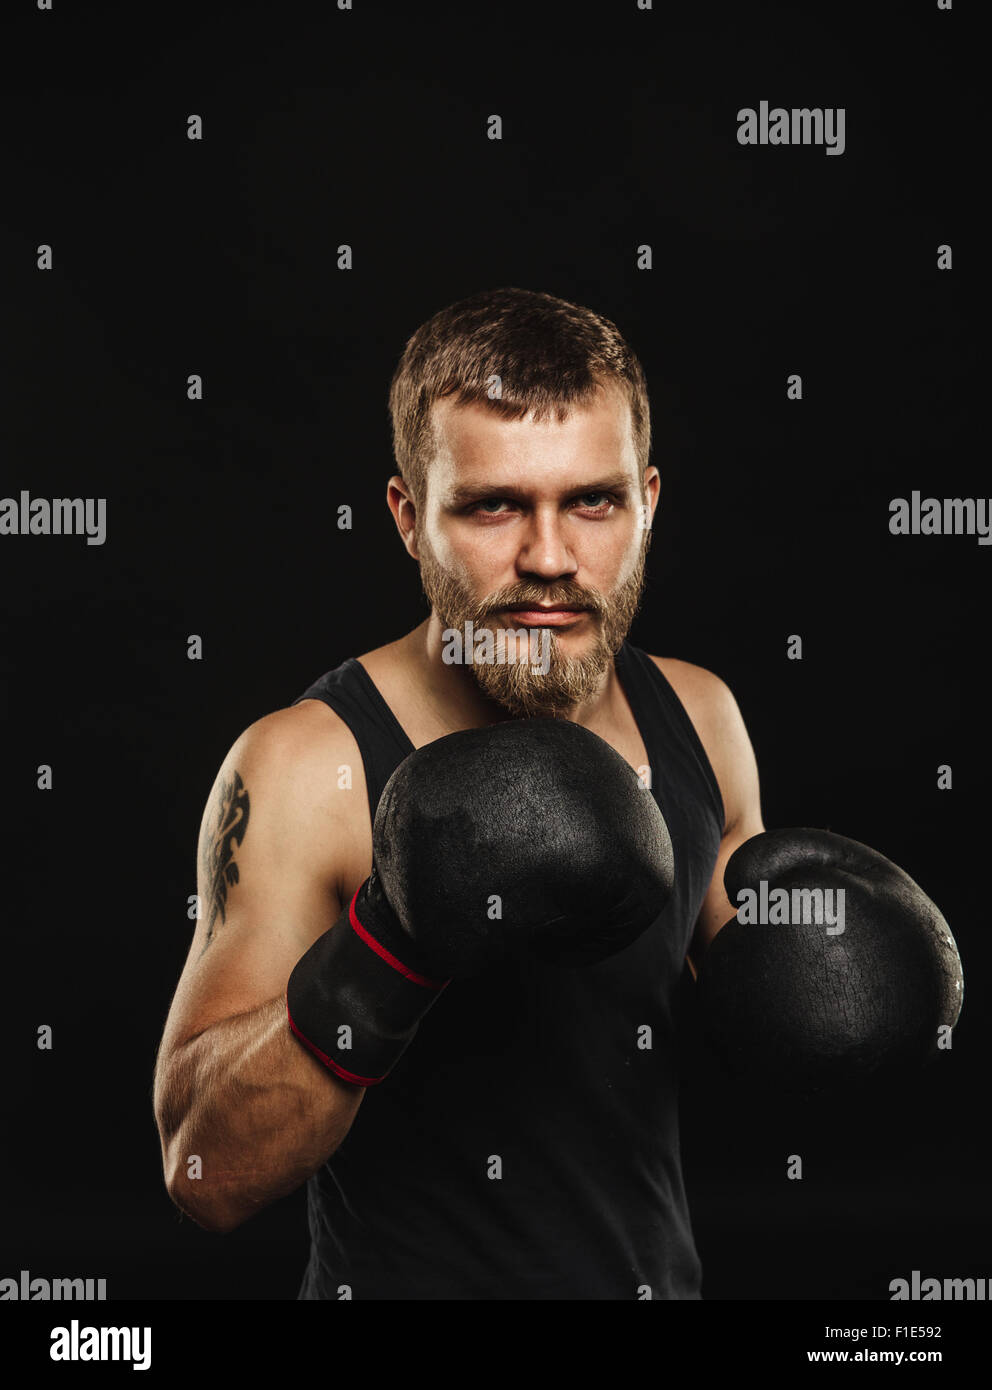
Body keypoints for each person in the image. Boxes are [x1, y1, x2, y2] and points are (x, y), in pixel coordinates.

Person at [152, 286, 768, 1300]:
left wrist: (817, 973)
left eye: (592, 501)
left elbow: (738, 1017)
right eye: (492, 506)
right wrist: (391, 937)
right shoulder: (311, 765)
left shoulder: (698, 717)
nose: (548, 559)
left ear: (647, 503)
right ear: (406, 516)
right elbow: (204, 1174)